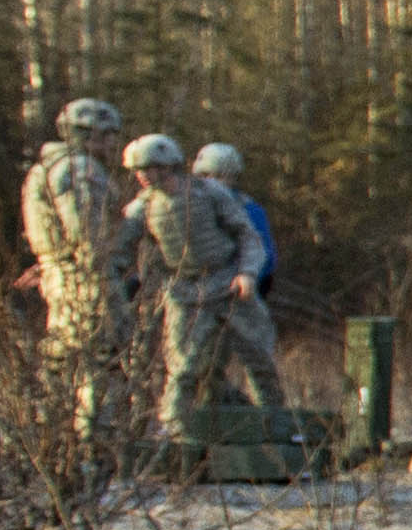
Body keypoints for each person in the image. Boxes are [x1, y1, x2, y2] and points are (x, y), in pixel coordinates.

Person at [124, 135, 281, 435]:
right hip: (185, 291)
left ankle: (274, 430)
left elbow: (251, 238)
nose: (142, 175)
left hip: (230, 284)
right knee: (184, 370)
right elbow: (123, 247)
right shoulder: (144, 206)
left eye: (149, 168)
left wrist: (248, 274)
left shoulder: (213, 197)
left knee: (260, 361)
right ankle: (177, 435)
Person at [23, 97, 136, 446]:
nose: (114, 143)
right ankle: (93, 440)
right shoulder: (79, 169)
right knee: (100, 356)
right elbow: (87, 231)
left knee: (63, 355)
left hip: (60, 270)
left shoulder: (46, 166)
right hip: (84, 275)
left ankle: (51, 434)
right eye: (108, 134)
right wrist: (106, 274)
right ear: (89, 134)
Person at [191, 143, 286, 404]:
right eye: (204, 177)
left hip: (241, 298)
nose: (209, 183)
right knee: (204, 368)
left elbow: (264, 256)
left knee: (259, 363)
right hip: (204, 298)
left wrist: (247, 280)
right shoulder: (192, 209)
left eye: (216, 176)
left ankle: (273, 422)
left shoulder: (248, 209)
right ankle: (218, 418)